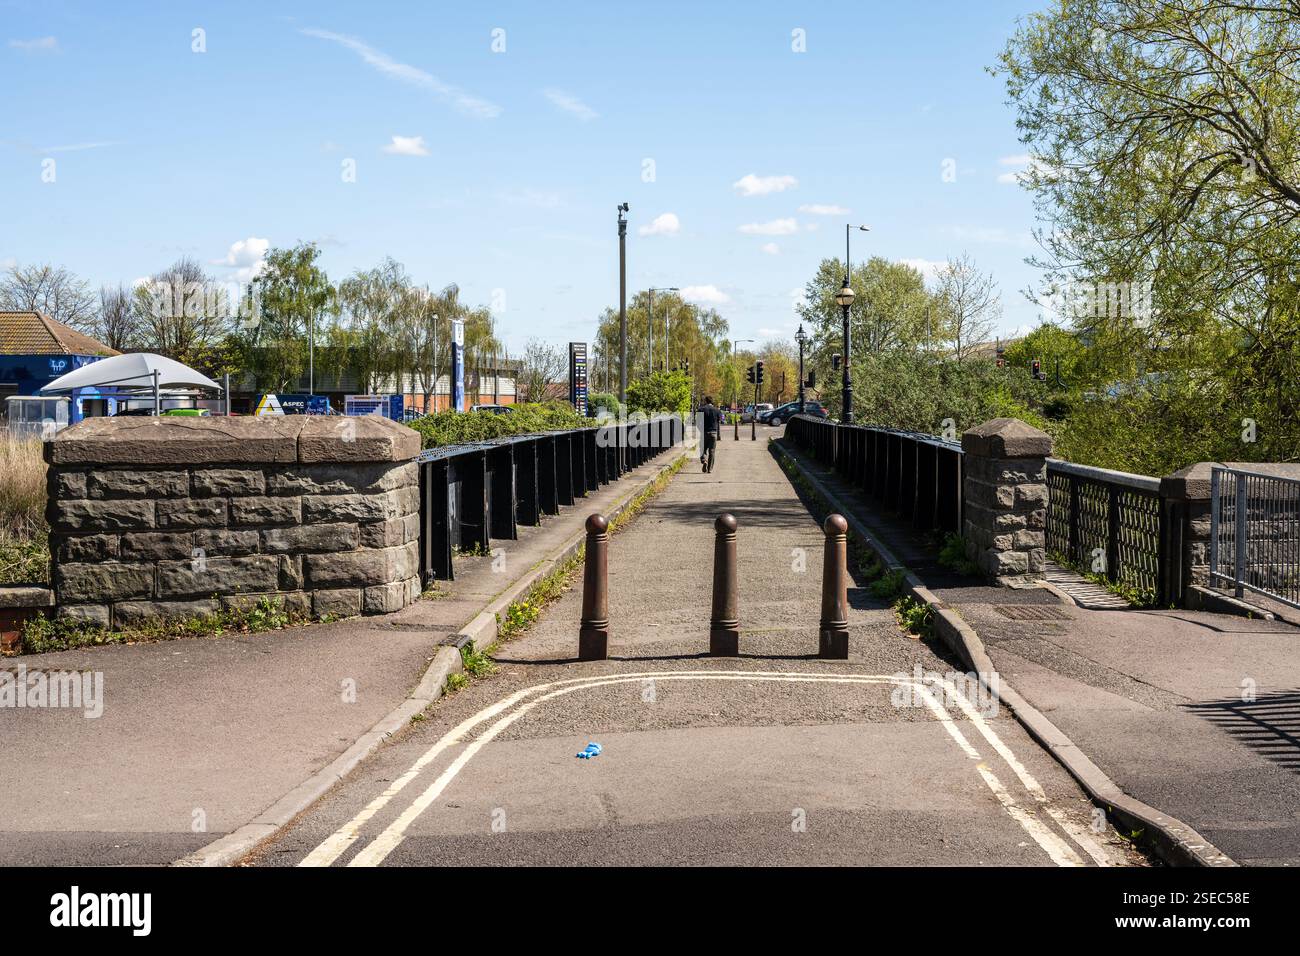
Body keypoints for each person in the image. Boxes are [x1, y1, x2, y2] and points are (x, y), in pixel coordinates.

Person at [699, 395, 721, 473]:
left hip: (704, 432)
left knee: (703, 449)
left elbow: (698, 422)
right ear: (712, 401)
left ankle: (704, 460)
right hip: (713, 433)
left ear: (705, 401)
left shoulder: (701, 409)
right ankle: (709, 469)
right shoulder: (717, 410)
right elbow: (719, 421)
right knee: (712, 451)